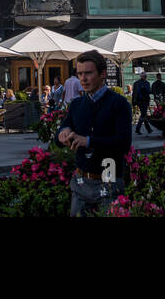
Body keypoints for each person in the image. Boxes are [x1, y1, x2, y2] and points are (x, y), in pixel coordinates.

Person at [55, 51, 132, 216]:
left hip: (109, 178)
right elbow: (59, 137)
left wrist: (88, 141)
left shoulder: (119, 104)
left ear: (102, 74)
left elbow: (123, 143)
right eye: (80, 73)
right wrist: (63, 132)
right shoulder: (76, 104)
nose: (83, 78)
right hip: (81, 182)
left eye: (88, 73)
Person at [131, 69, 153, 135]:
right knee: (143, 114)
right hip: (144, 101)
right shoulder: (146, 83)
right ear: (144, 77)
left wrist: (134, 101)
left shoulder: (136, 83)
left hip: (138, 101)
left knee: (144, 114)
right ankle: (137, 129)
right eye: (145, 76)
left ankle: (149, 129)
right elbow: (149, 91)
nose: (146, 77)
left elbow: (133, 93)